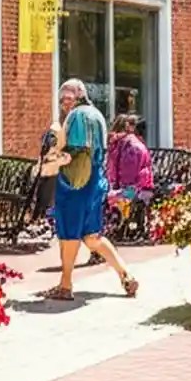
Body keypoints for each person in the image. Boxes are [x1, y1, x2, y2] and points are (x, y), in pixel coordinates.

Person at [42, 80, 138, 301]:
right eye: (62, 99)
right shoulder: (97, 115)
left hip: (75, 183)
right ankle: (126, 274)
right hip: (96, 182)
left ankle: (65, 285)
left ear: (78, 97)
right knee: (93, 237)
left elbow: (75, 152)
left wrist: (56, 155)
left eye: (68, 98)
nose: (64, 103)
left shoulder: (77, 117)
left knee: (69, 235)